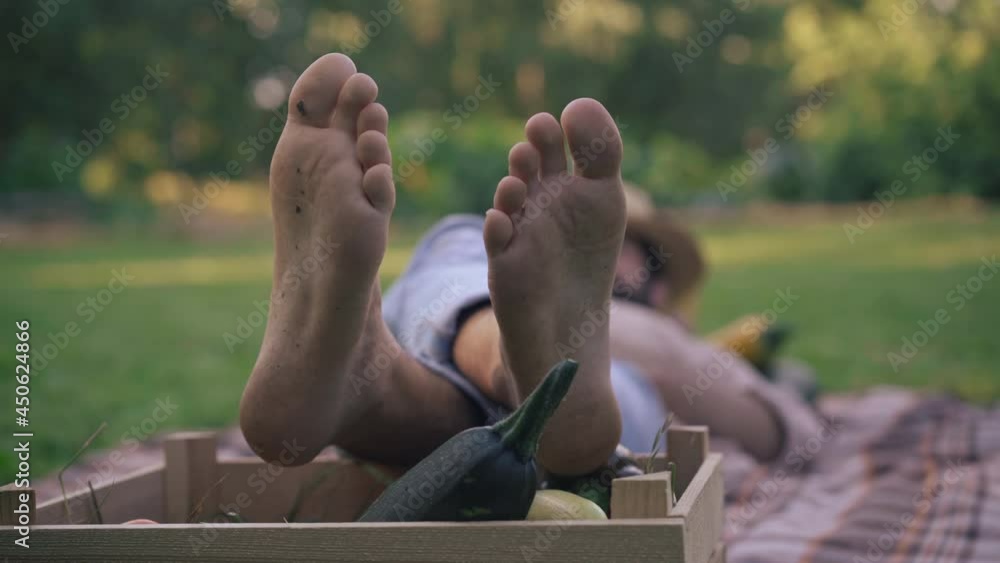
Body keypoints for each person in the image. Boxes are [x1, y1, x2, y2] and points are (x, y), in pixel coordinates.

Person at [239, 53, 821, 478]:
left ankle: (370, 389)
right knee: (465, 252)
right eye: (624, 244)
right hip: (465, 309)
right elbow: (787, 431)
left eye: (646, 257)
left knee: (521, 350)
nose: (629, 265)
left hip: (507, 356)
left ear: (665, 293)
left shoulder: (666, 333)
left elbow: (782, 426)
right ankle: (508, 377)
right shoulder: (626, 318)